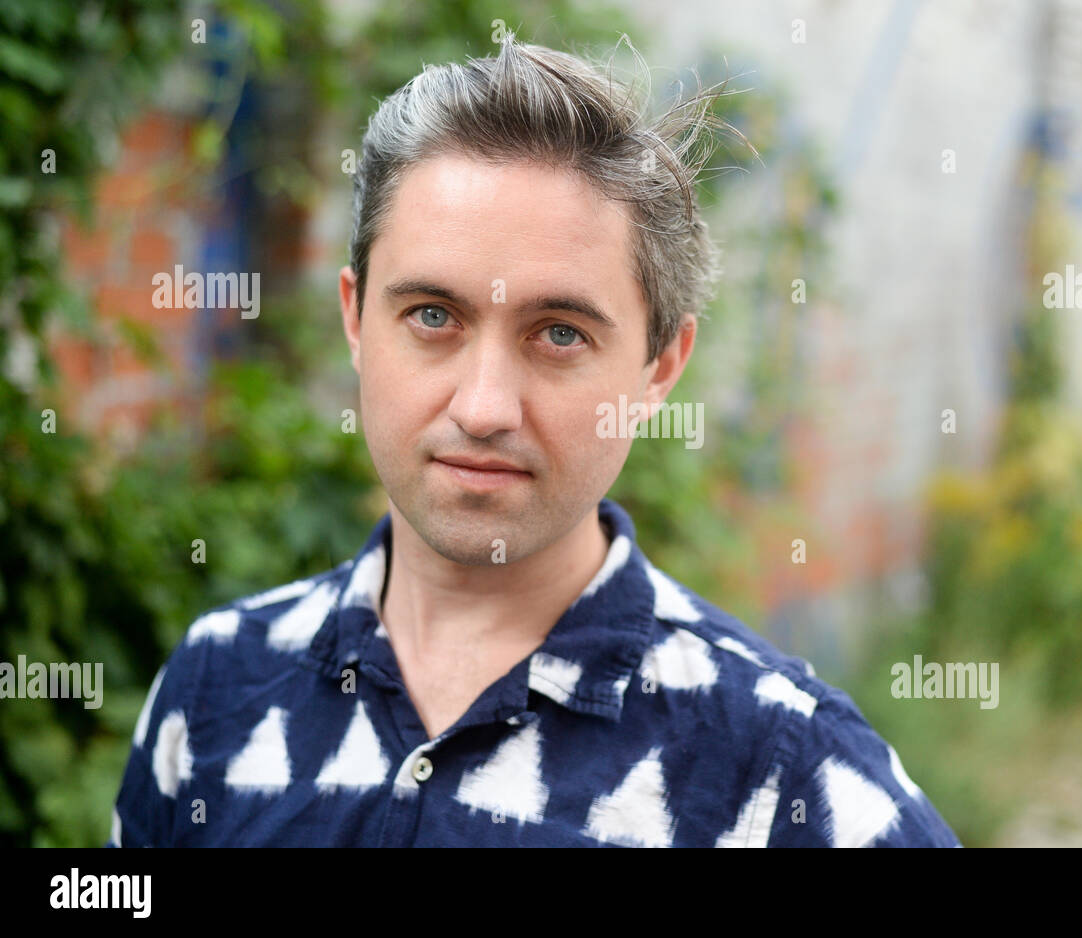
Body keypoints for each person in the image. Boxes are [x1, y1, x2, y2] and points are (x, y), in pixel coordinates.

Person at [110, 32, 960, 848]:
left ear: (660, 367)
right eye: (433, 316)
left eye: (559, 334)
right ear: (355, 320)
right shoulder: (217, 685)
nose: (484, 408)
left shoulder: (787, 777)